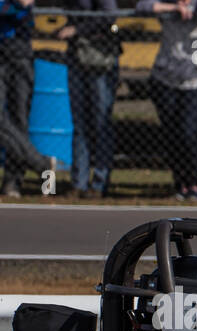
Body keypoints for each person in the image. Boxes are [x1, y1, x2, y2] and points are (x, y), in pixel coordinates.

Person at [138, 0, 197, 201]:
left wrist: (190, 7)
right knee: (172, 134)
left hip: (195, 80)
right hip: (166, 79)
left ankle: (192, 182)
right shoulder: (168, 8)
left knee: (189, 131)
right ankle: (179, 183)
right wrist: (174, 8)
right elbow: (143, 6)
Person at [58, 0, 120, 199]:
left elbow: (110, 15)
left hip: (99, 57)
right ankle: (79, 182)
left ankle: (100, 183)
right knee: (80, 124)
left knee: (101, 122)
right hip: (77, 55)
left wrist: (77, 29)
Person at [0, 0, 50, 197]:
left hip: (19, 53)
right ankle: (42, 164)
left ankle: (13, 183)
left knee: (19, 120)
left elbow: (25, 3)